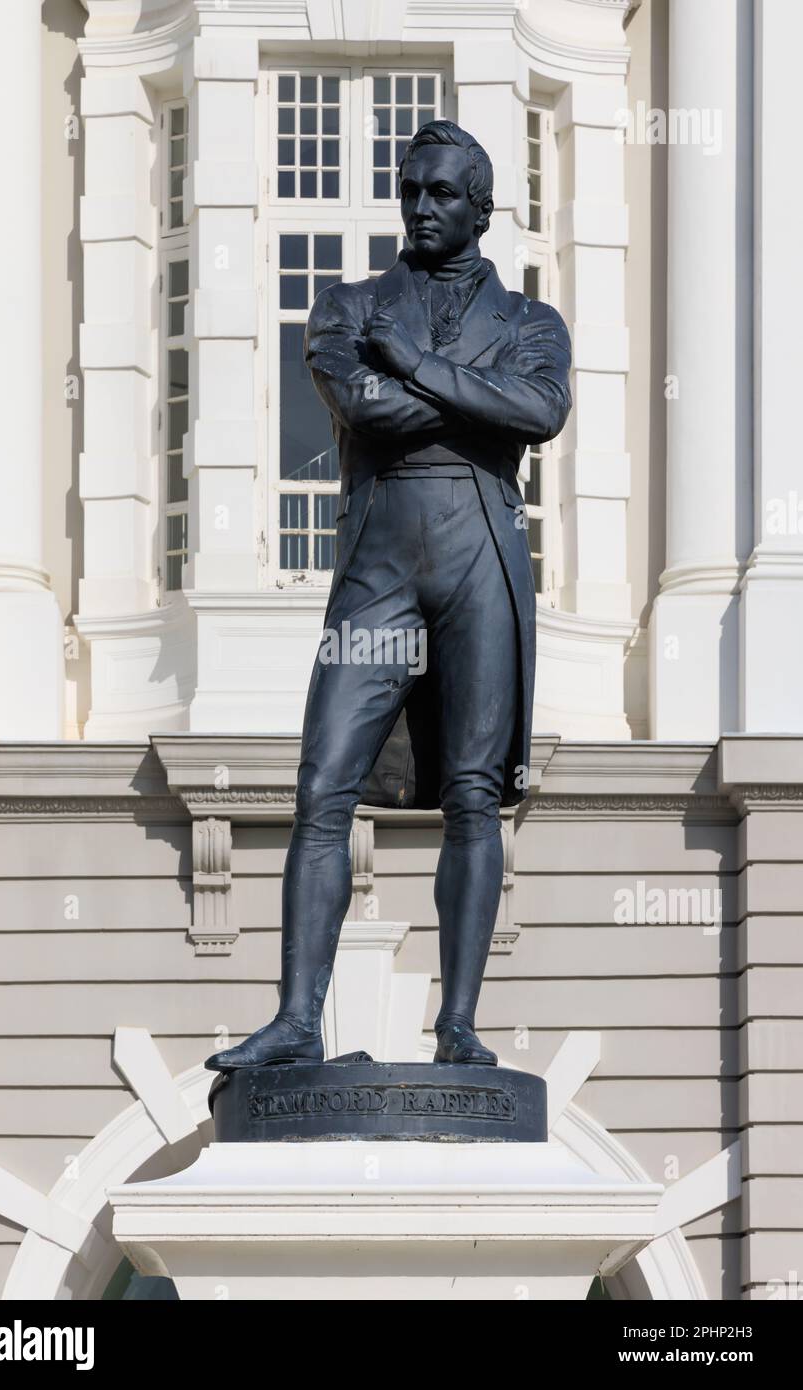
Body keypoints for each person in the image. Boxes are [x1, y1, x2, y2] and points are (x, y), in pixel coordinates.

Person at [206, 120, 571, 1071]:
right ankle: (297, 1020)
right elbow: (363, 410)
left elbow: (540, 411)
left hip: (482, 558)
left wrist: (412, 365)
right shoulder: (347, 306)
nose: (419, 206)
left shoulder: (531, 321)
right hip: (380, 567)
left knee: (474, 794)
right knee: (322, 781)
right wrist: (472, 399)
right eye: (410, 190)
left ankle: (459, 1025)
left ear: (481, 208)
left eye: (441, 192)